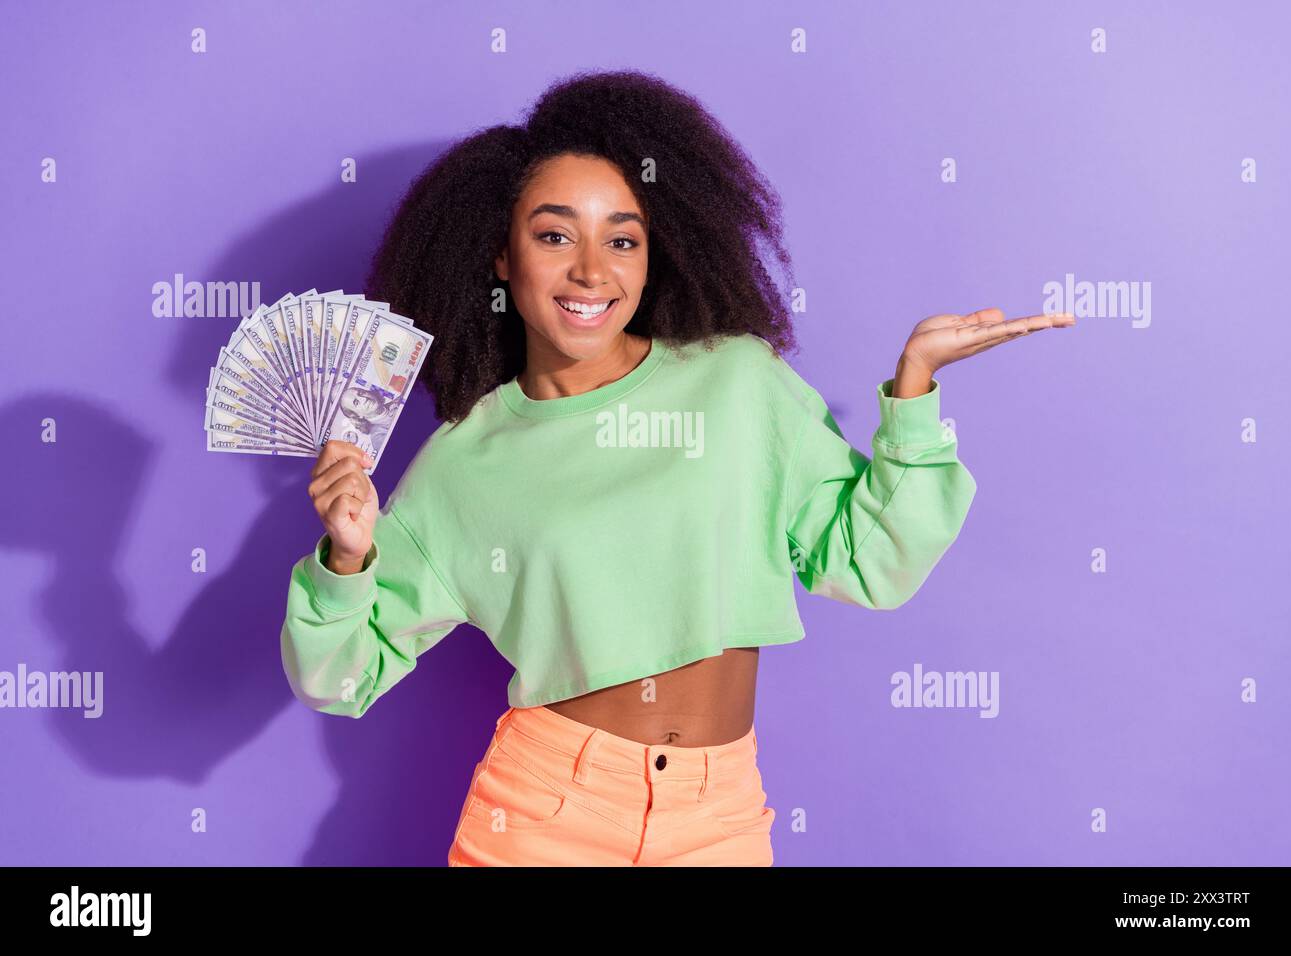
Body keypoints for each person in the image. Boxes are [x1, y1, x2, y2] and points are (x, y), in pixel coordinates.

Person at [278, 69, 1073, 867]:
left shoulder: (738, 383)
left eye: (622, 239)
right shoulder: (464, 463)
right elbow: (338, 680)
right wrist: (347, 558)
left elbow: (872, 564)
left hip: (719, 815)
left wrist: (914, 390)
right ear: (499, 256)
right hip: (544, 815)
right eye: (555, 236)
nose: (593, 270)